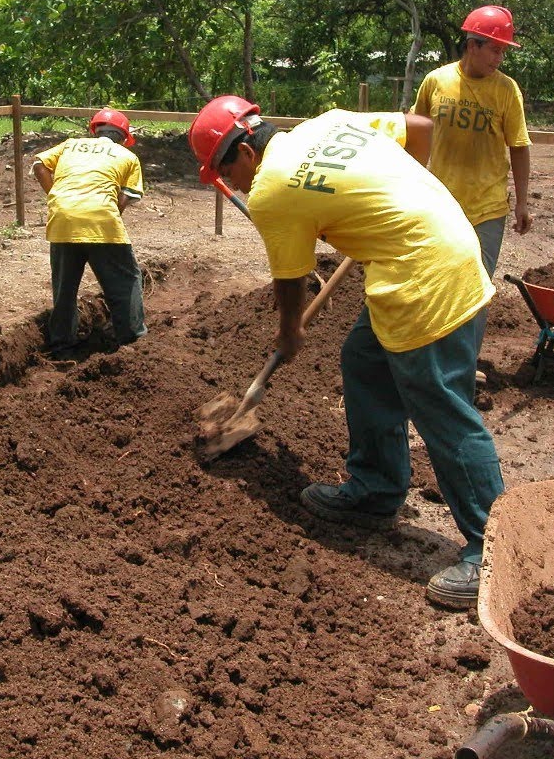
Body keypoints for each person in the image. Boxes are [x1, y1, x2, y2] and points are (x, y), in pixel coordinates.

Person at [188, 96, 504, 609]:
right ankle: (376, 490)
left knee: (441, 407)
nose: (235, 186)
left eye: (228, 172)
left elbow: (290, 283)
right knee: (364, 360)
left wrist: (290, 334)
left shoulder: (271, 190)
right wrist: (387, 201)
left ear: (246, 151)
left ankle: (492, 551)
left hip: (424, 279)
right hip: (447, 244)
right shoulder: (329, 124)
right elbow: (420, 127)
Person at [412, 4, 533, 367]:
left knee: (476, 290)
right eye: (494, 49)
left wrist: (523, 203)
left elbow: (519, 146)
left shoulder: (506, 91)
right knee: (432, 282)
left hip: (486, 208)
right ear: (472, 46)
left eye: (503, 51)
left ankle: (463, 369)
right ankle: (427, 360)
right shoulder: (436, 82)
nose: (500, 58)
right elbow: (415, 133)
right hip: (438, 206)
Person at [32, 108, 147, 357]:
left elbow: (39, 164)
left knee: (64, 288)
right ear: (124, 136)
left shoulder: (70, 145)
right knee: (125, 282)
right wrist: (108, 210)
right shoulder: (126, 156)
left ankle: (62, 345)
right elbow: (128, 194)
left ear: (94, 130)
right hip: (102, 219)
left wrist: (56, 196)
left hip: (62, 218)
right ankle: (133, 341)